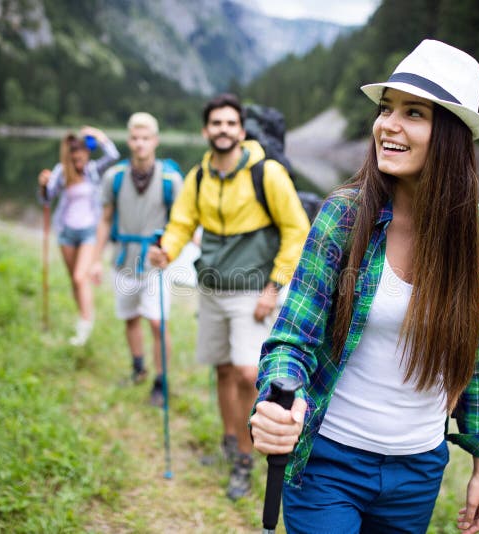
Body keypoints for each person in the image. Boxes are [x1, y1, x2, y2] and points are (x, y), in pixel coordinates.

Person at [249, 39, 479, 534]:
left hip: (418, 470)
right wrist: (277, 400)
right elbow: (292, 339)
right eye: (386, 109)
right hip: (329, 461)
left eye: (413, 113)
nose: (388, 125)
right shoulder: (344, 216)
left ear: (450, 134)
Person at [148, 94, 310, 500]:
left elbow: (296, 230)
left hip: (253, 292)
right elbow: (182, 223)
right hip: (211, 289)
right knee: (222, 370)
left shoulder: (267, 173)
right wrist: (166, 249)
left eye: (230, 123)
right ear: (206, 130)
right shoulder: (199, 176)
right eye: (216, 123)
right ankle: (229, 441)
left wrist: (274, 287)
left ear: (241, 130)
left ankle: (244, 457)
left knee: (246, 373)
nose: (223, 130)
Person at [90, 112, 183, 407]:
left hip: (156, 263)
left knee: (157, 323)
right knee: (130, 317)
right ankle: (138, 368)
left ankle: (161, 382)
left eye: (145, 138)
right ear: (129, 141)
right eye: (135, 138)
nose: (140, 143)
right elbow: (105, 220)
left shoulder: (170, 179)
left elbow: (182, 222)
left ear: (155, 141)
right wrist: (95, 259)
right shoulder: (114, 177)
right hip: (123, 259)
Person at [38, 126, 119, 346]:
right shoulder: (62, 172)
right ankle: (82, 316)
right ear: (70, 156)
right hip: (66, 233)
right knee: (74, 281)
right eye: (75, 157)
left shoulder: (93, 171)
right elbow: (46, 199)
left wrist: (98, 135)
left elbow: (113, 155)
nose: (79, 161)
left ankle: (85, 324)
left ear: (87, 153)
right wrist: (43, 185)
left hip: (88, 232)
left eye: (83, 155)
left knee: (79, 277)